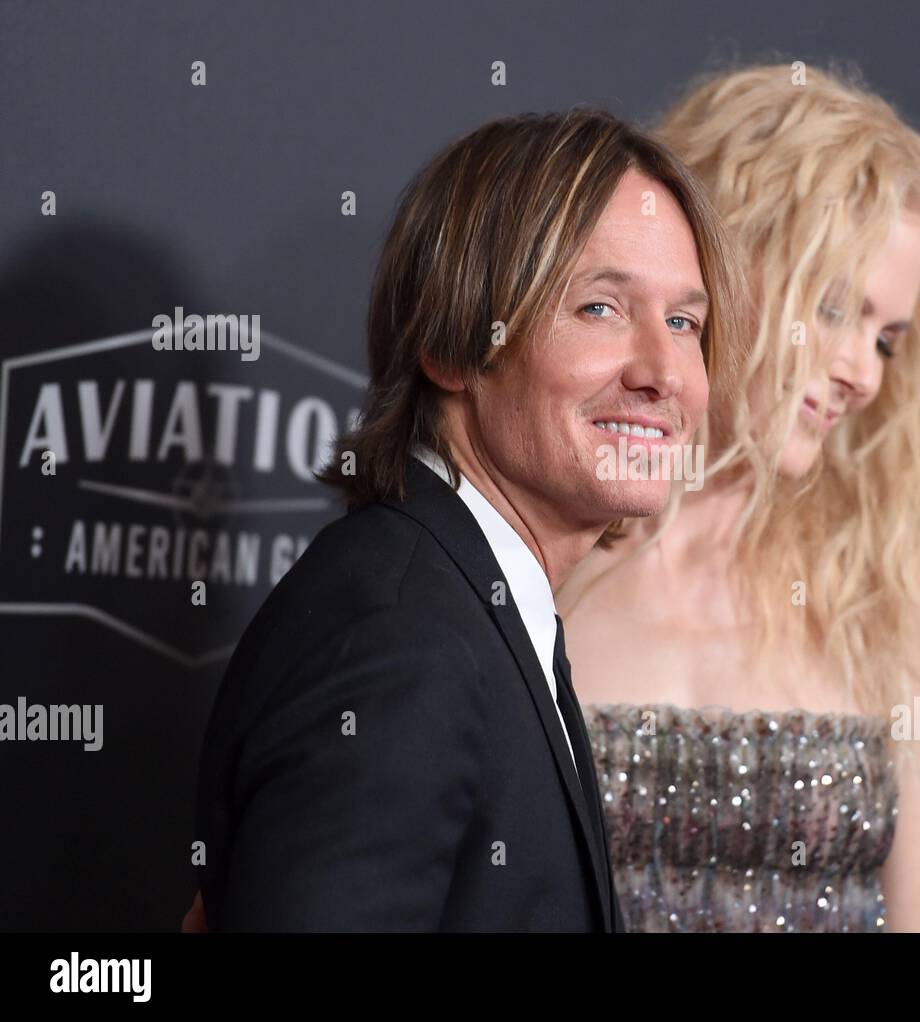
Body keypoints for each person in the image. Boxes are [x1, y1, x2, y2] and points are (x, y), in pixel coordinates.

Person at [189, 107, 747, 931]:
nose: (664, 372)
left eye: (683, 323)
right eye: (600, 308)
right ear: (452, 343)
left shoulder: (475, 605)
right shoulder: (402, 638)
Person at [562, 63, 920, 931]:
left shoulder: (905, 604)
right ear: (714, 259)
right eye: (832, 310)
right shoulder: (543, 555)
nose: (863, 373)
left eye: (889, 339)